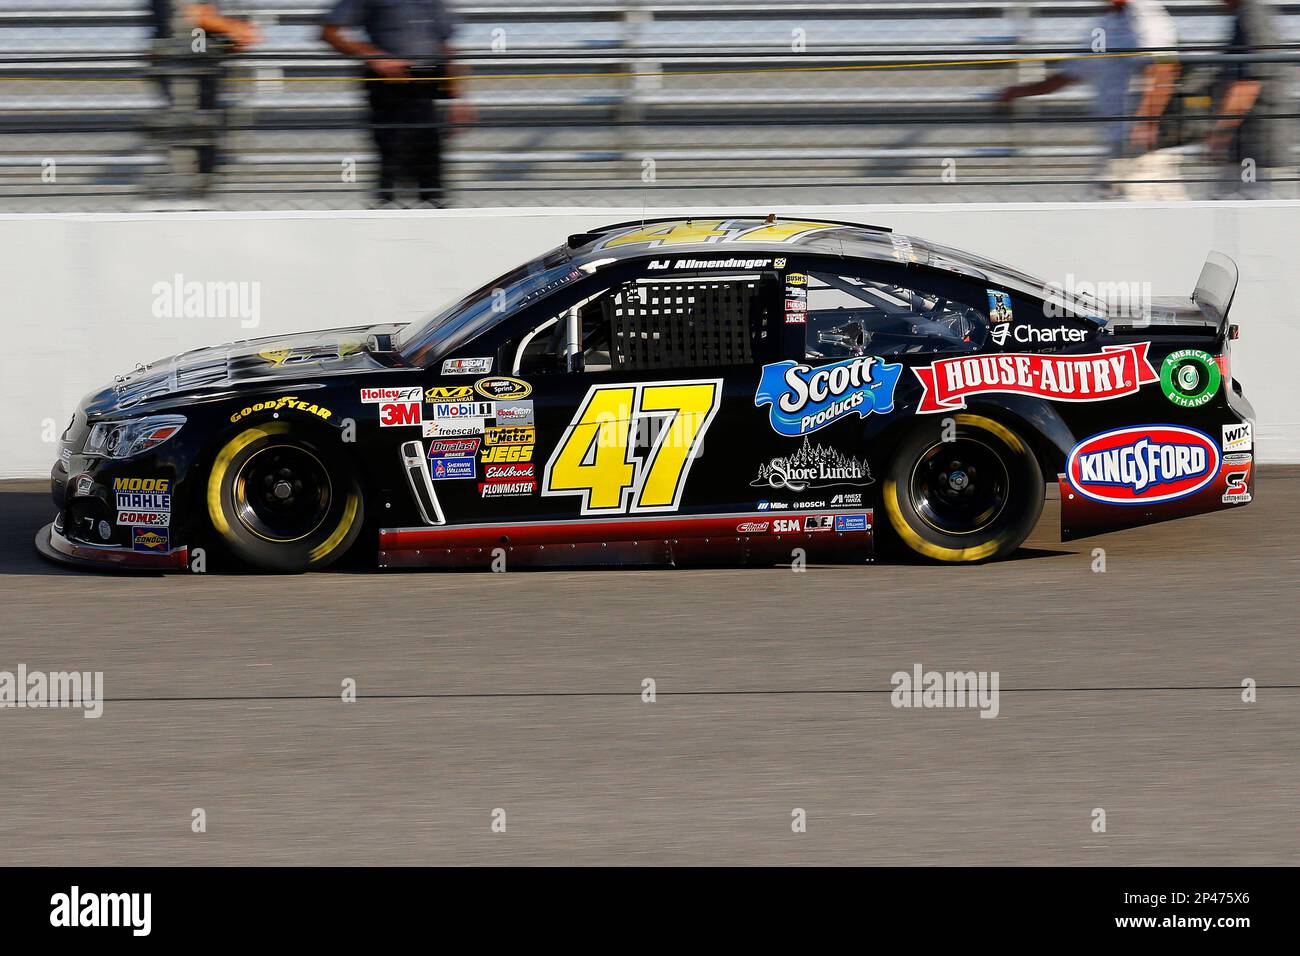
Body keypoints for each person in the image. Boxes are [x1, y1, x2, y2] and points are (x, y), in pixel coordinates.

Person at [997, 0, 1181, 199]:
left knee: (1137, 209)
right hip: (1117, 142)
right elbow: (1073, 72)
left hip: (1142, 145)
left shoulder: (1147, 16)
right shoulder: (1103, 24)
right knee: (1114, 207)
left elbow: (1164, 67)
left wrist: (1147, 122)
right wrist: (1020, 91)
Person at [321, 0, 475, 207]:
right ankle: (385, 214)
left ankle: (434, 216)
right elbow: (329, 33)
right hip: (388, 84)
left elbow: (445, 47)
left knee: (431, 158)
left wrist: (458, 98)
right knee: (391, 155)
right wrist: (374, 56)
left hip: (428, 83)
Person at [150, 2, 262, 183]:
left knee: (202, 136)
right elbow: (192, 16)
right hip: (182, 66)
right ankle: (189, 188)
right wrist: (234, 28)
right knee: (190, 135)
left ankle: (198, 185)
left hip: (197, 62)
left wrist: (229, 36)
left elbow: (201, 24)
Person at [1207, 0, 1287, 197]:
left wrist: (1221, 131)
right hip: (1248, 138)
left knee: (1251, 200)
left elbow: (1249, 81)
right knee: (1232, 198)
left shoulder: (1252, 15)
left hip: (1253, 139)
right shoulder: (1248, 14)